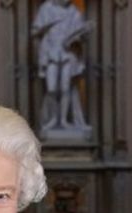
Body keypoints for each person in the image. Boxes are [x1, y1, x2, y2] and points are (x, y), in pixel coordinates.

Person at [31, 0, 92, 132]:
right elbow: (34, 31)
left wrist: (77, 38)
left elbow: (81, 35)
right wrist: (45, 27)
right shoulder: (46, 8)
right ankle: (52, 119)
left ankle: (63, 120)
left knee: (66, 88)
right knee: (52, 88)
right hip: (51, 52)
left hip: (68, 54)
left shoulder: (74, 11)